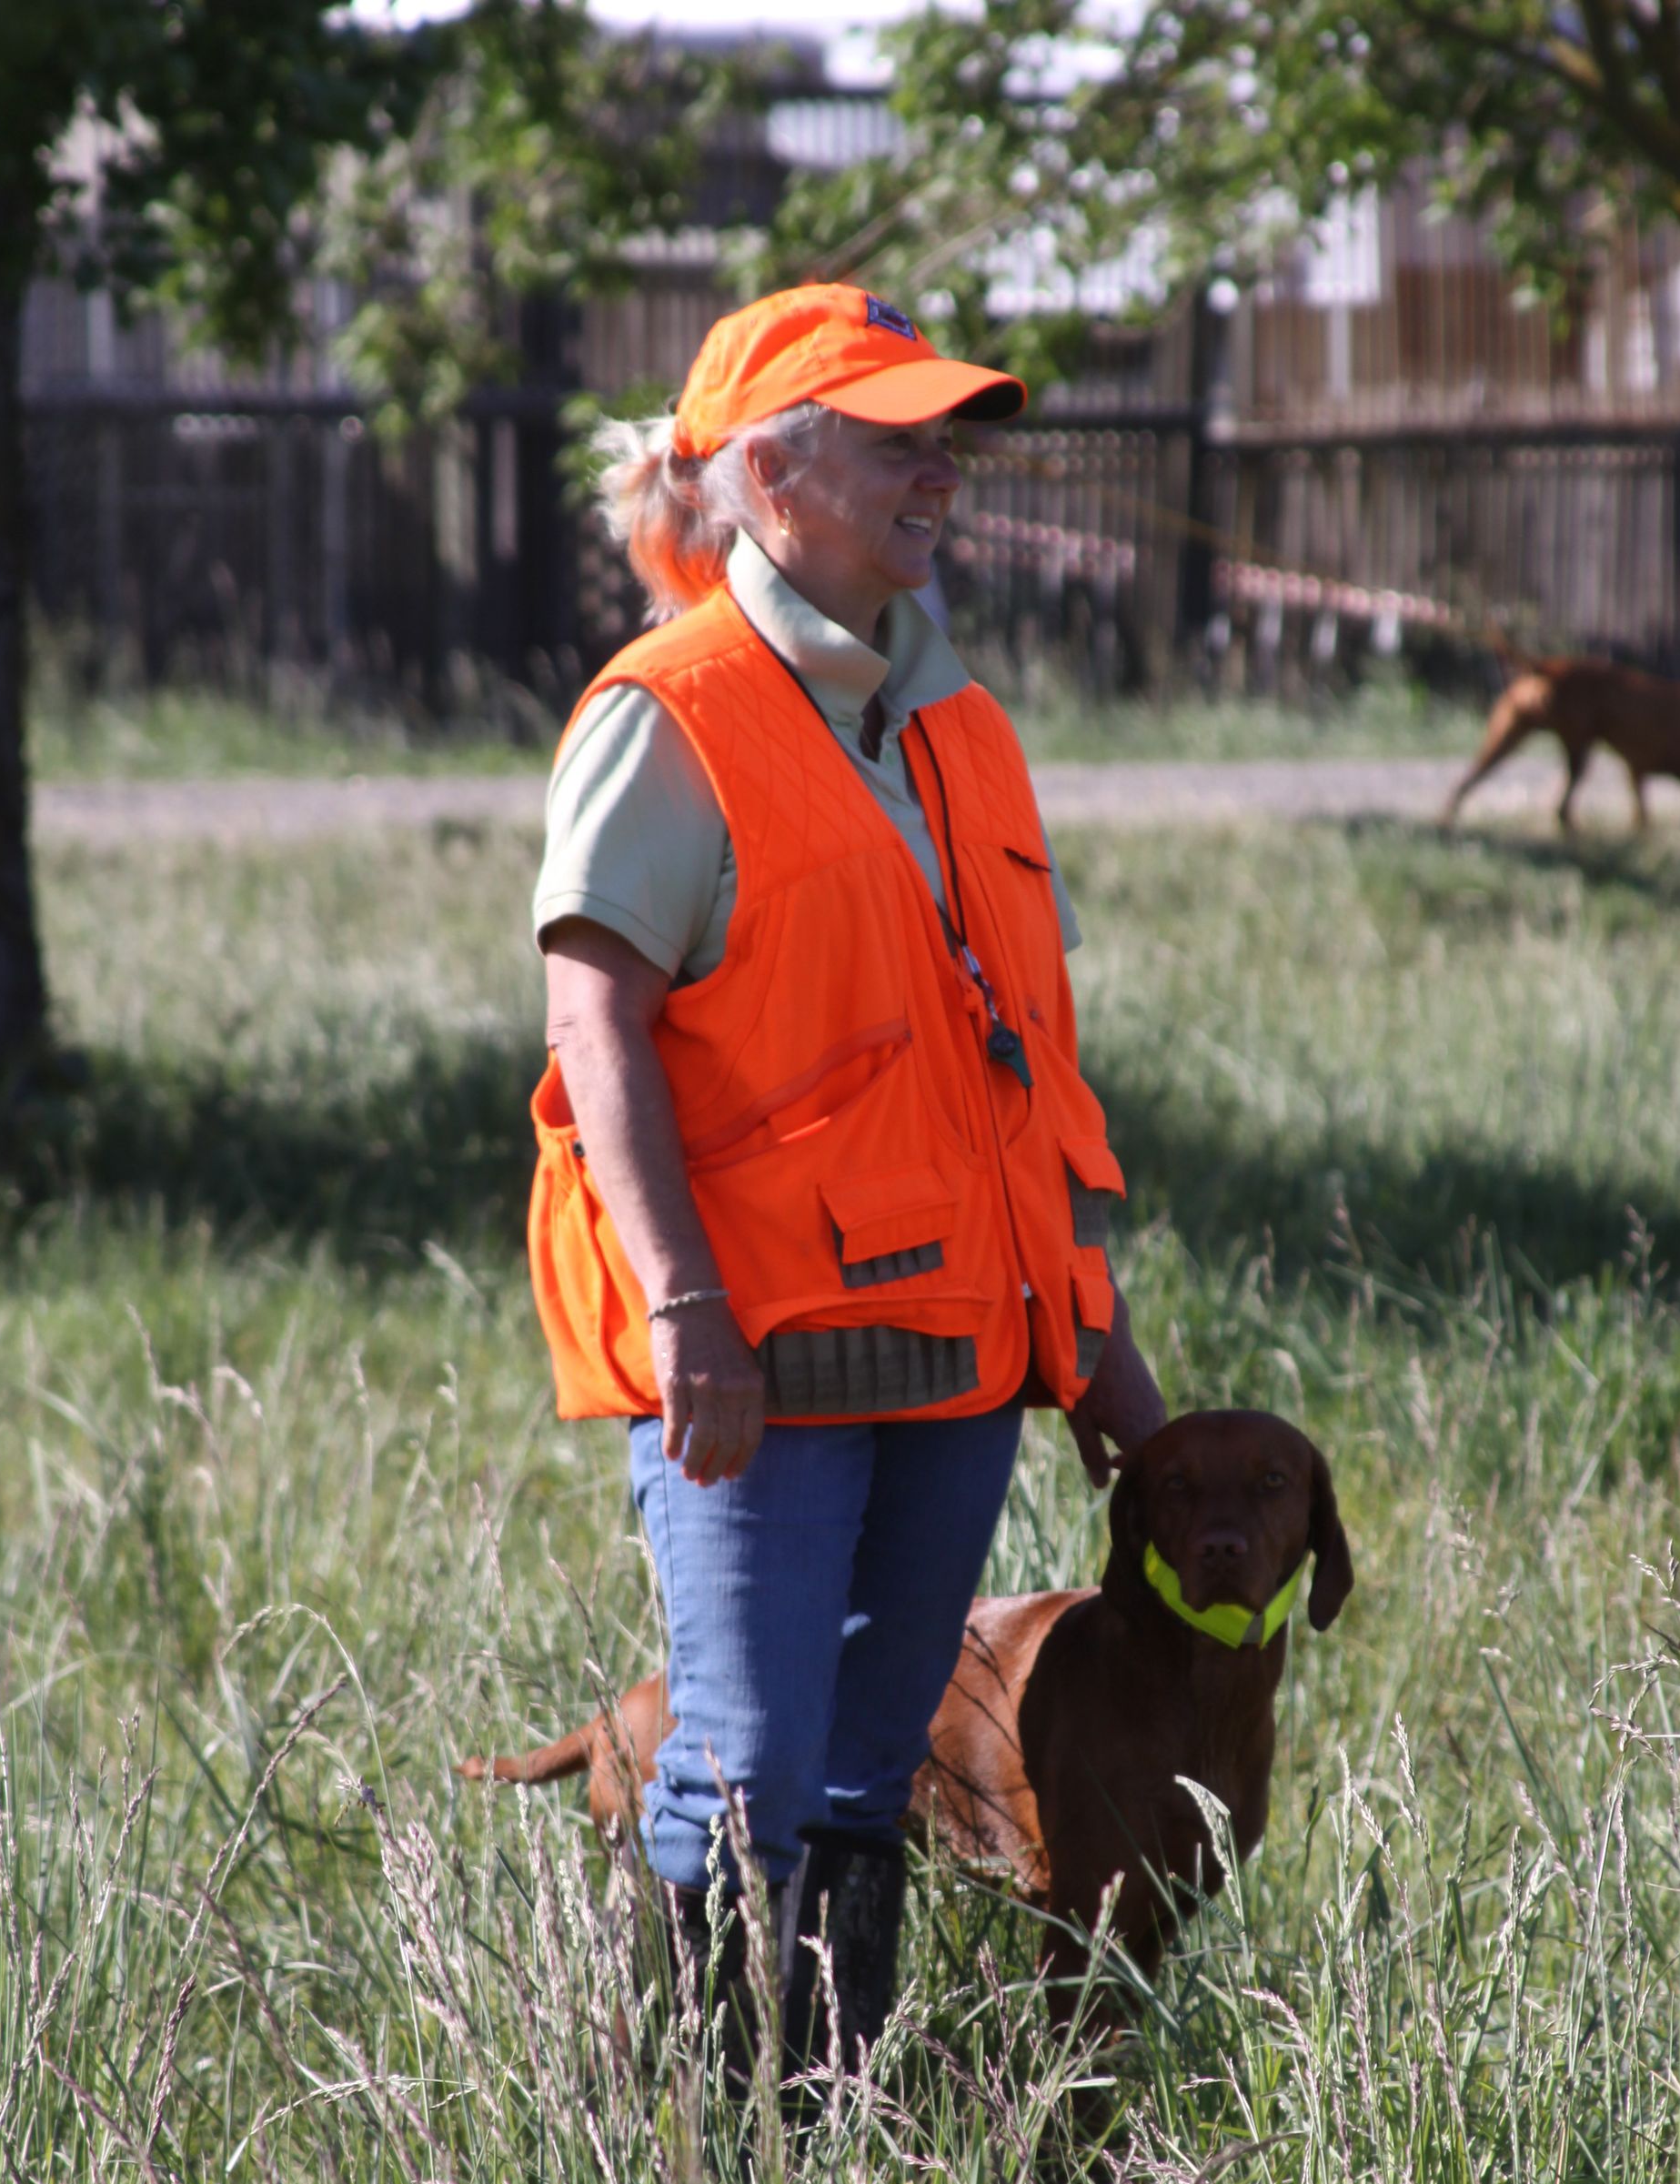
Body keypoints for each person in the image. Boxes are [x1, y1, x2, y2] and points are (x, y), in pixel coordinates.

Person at [526, 283, 1167, 2078]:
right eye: (894, 432)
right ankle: (703, 2126)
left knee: (868, 1761)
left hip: (962, 1355)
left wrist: (1101, 1356)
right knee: (747, 1751)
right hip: (757, 1361)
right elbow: (599, 1041)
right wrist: (686, 1311)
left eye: (947, 430)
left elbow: (1013, 1079)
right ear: (769, 476)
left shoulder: (956, 723)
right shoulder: (669, 714)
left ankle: (822, 2116)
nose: (940, 465)